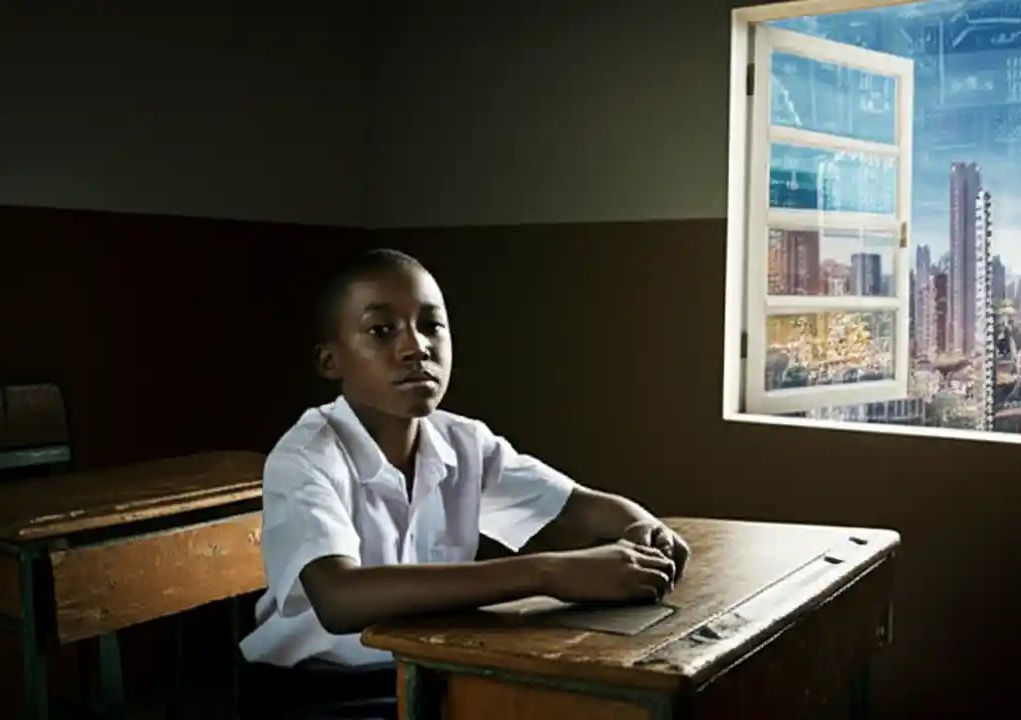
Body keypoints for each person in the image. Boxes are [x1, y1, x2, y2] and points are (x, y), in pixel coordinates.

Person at [237, 248, 689, 718]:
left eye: (432, 325)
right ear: (331, 361)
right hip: (318, 692)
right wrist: (548, 572)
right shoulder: (306, 455)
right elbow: (339, 598)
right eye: (381, 330)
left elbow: (582, 507)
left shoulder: (465, 442)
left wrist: (641, 527)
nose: (416, 347)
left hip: (432, 668)